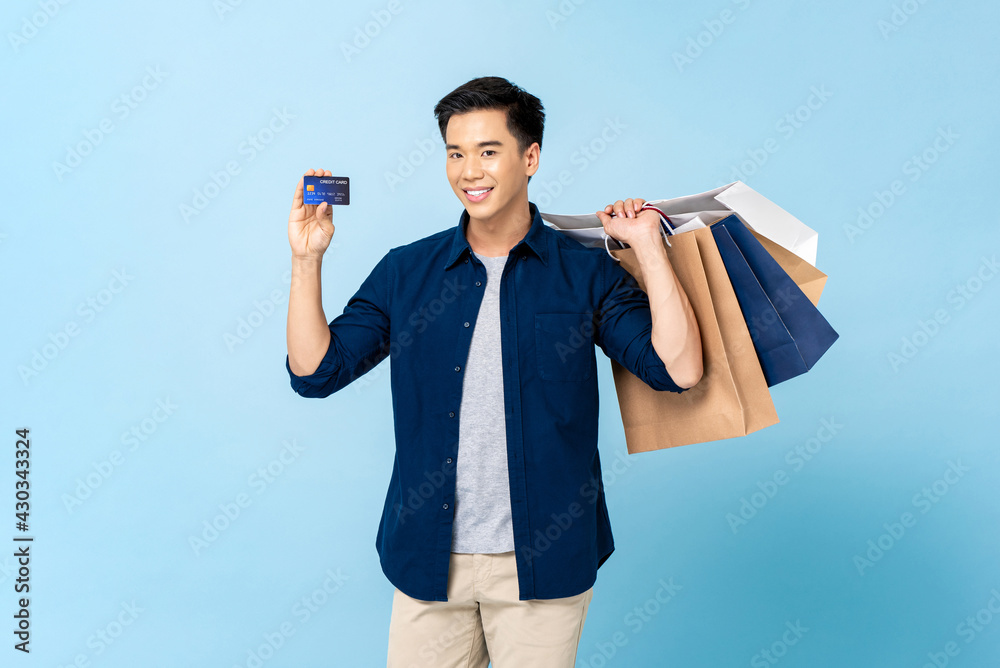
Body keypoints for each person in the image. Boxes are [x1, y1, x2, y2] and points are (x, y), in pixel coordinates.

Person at [284, 76, 702, 667]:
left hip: (543, 564)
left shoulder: (584, 273)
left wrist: (649, 248)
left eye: (488, 151)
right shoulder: (407, 272)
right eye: (455, 153)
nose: (469, 171)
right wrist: (306, 260)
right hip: (429, 561)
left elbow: (678, 370)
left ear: (530, 158)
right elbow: (315, 373)